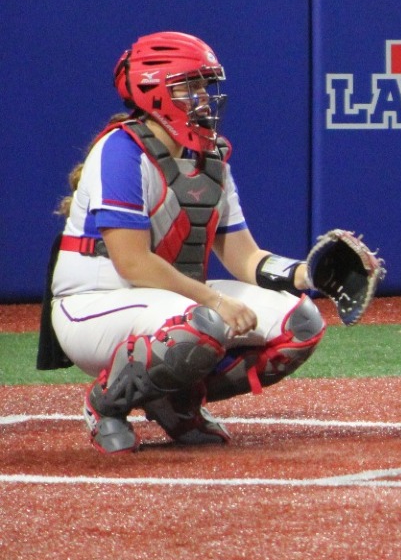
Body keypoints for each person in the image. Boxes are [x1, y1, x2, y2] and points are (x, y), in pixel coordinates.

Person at [38, 32, 329, 454]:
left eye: (204, 87)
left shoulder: (211, 157)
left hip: (170, 305)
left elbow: (244, 256)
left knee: (299, 323)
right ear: (152, 90)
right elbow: (133, 263)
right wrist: (214, 300)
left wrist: (308, 274)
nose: (203, 99)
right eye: (188, 87)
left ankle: (175, 402)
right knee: (203, 324)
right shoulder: (120, 150)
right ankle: (107, 404)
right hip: (93, 304)